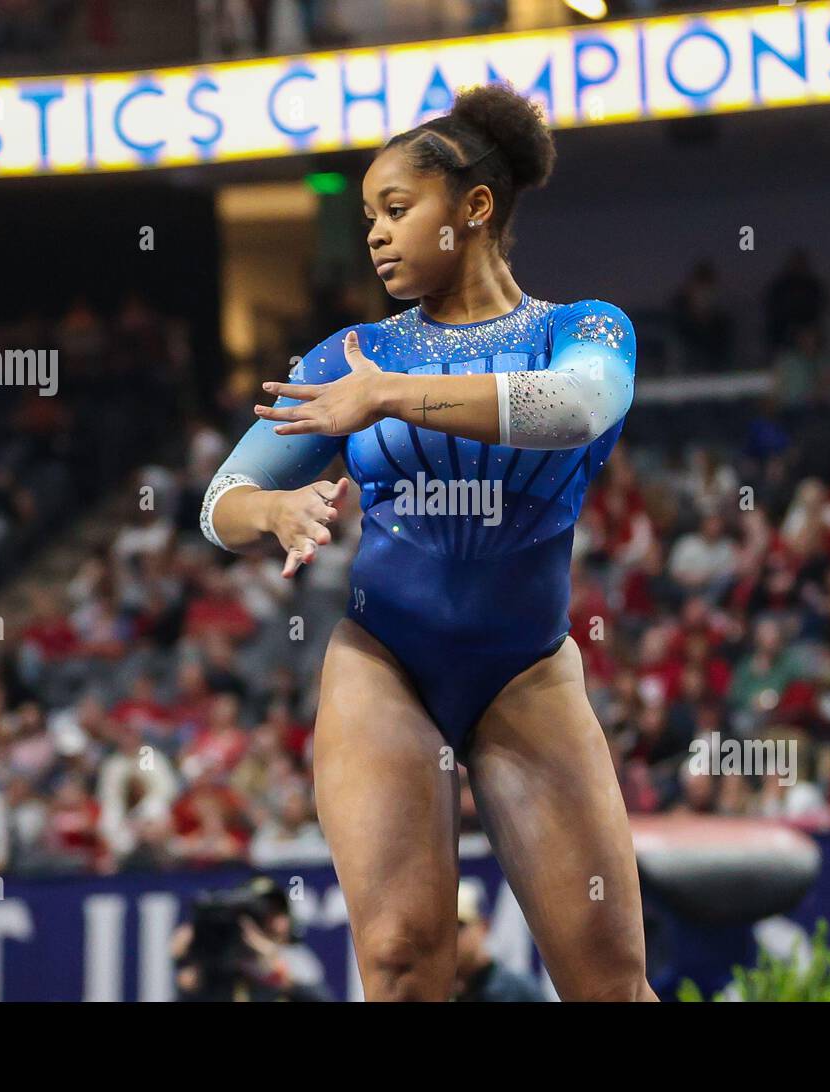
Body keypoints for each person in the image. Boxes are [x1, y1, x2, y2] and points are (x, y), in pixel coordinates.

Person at [201, 82, 656, 1001]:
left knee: (610, 982)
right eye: (369, 215)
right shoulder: (350, 353)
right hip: (387, 665)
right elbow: (221, 497)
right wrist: (275, 513)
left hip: (527, 670)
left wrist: (391, 397)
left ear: (475, 209)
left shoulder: (586, 330)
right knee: (406, 960)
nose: (374, 234)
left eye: (397, 209)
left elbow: (576, 409)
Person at [453, 884, 547, 1002]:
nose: (452, 938)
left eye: (459, 926)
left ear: (484, 926)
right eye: (443, 931)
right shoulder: (444, 991)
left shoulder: (518, 991)